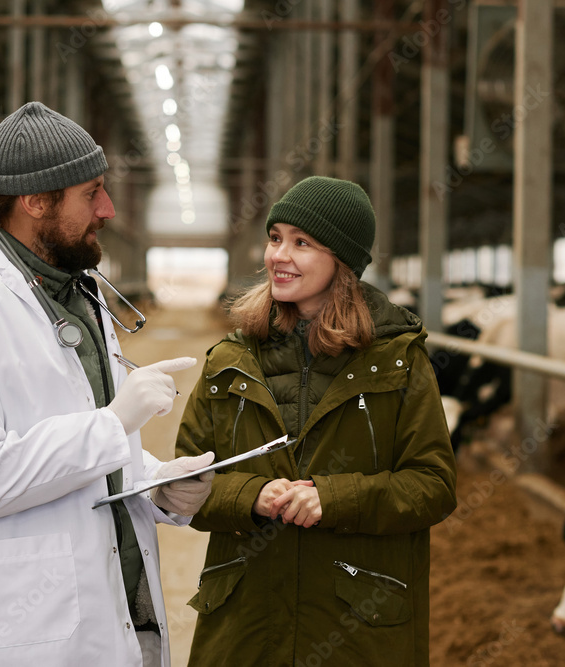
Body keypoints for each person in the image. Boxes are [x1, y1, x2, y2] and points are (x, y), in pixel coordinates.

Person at [0, 101, 214, 667]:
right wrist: (113, 424)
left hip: (105, 605)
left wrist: (155, 483)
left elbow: (78, 448)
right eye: (92, 193)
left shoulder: (77, 295)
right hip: (6, 626)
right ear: (36, 201)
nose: (108, 209)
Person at [175, 176, 458, 666]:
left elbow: (433, 485)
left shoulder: (398, 361)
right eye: (275, 237)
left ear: (341, 260)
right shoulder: (230, 361)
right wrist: (249, 497)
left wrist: (334, 497)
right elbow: (182, 484)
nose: (278, 256)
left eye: (302, 243)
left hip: (357, 629)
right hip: (247, 627)